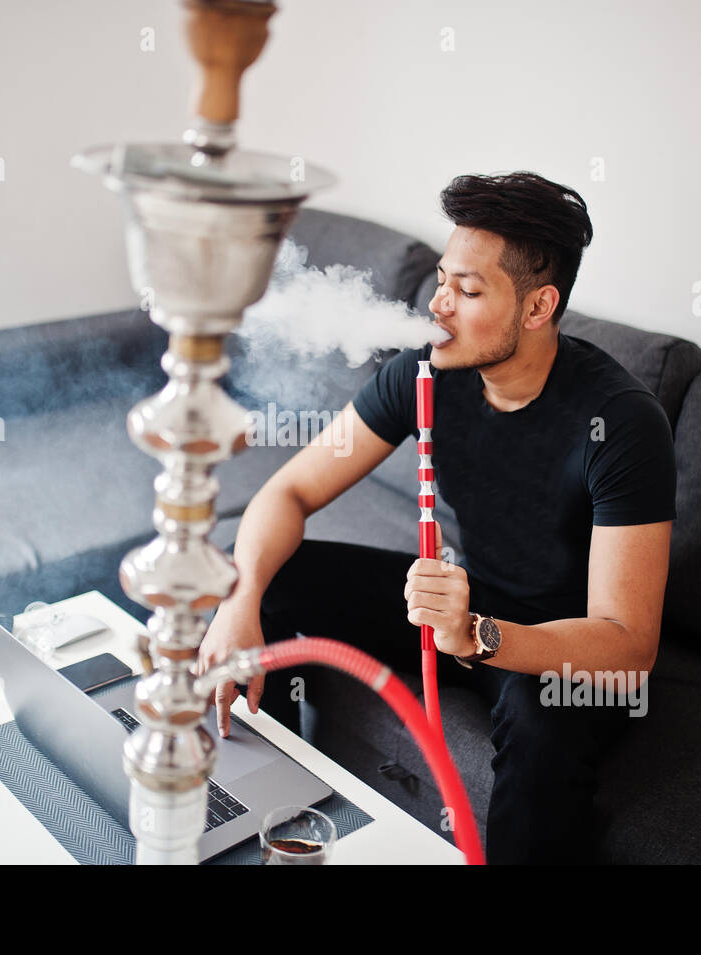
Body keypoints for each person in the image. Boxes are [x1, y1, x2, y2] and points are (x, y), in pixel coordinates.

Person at [195, 171, 675, 864]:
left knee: (543, 726)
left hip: (563, 645)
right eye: (442, 282)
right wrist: (241, 600)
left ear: (539, 306)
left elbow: (629, 641)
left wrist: (475, 633)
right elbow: (287, 494)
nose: (438, 307)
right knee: (261, 568)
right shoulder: (426, 374)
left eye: (470, 291)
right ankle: (253, 818)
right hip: (462, 602)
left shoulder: (623, 424)